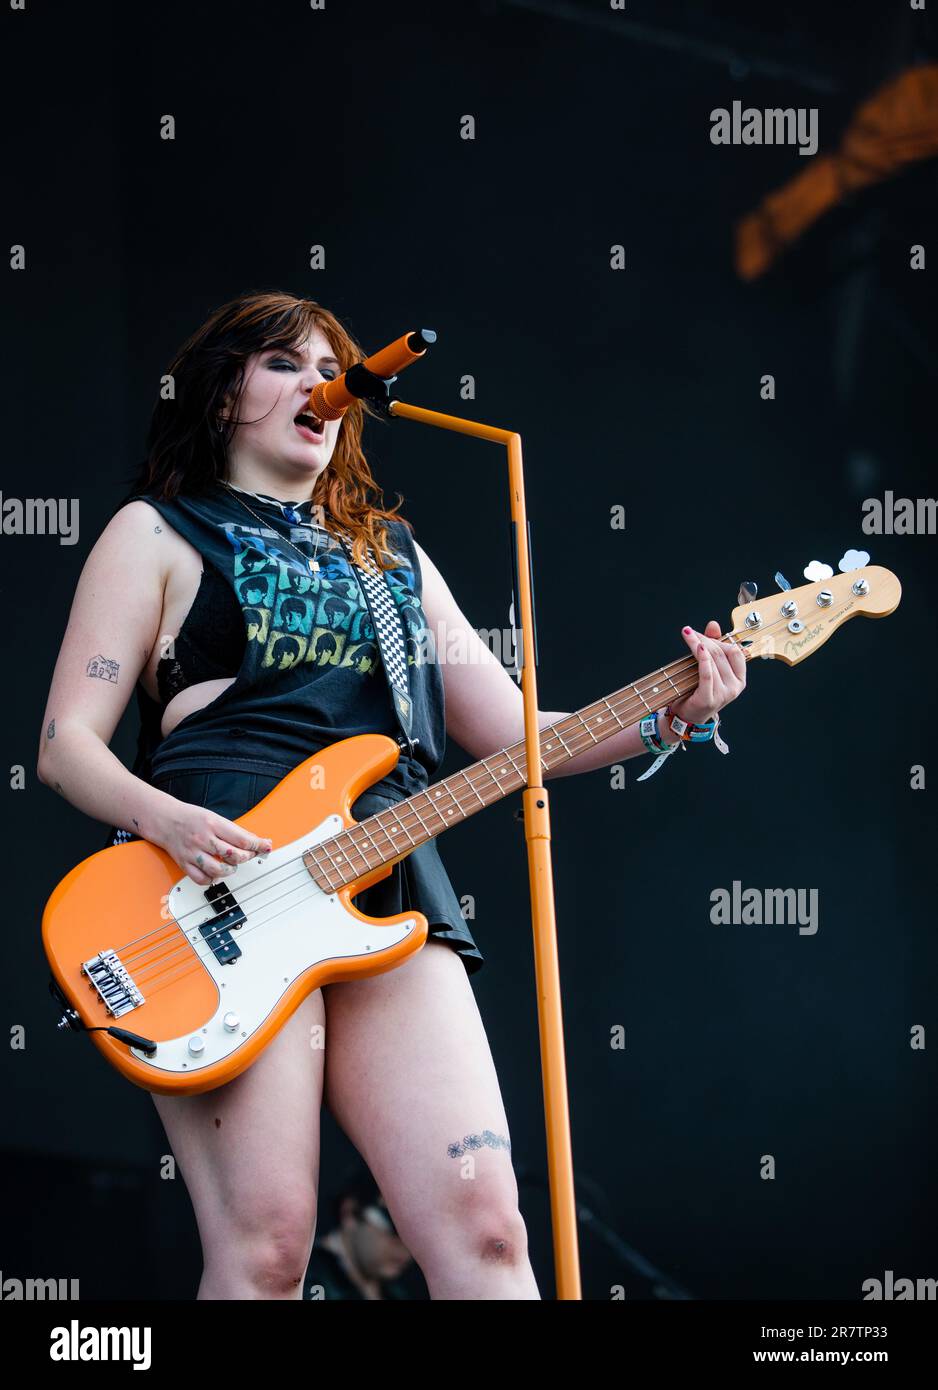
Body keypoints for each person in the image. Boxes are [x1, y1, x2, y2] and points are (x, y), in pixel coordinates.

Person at [36, 290, 747, 1300]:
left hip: (383, 873)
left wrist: (675, 713)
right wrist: (165, 818)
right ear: (222, 393)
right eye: (283, 362)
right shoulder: (156, 533)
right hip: (211, 886)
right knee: (269, 1245)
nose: (320, 380)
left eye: (330, 364)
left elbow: (515, 736)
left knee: (486, 1227)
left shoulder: (392, 556)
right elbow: (67, 743)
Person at [305, 1168, 420, 1301]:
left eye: (420, 1235)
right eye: (396, 1225)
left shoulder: (397, 1293)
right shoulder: (303, 1277)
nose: (408, 1246)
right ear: (349, 1212)